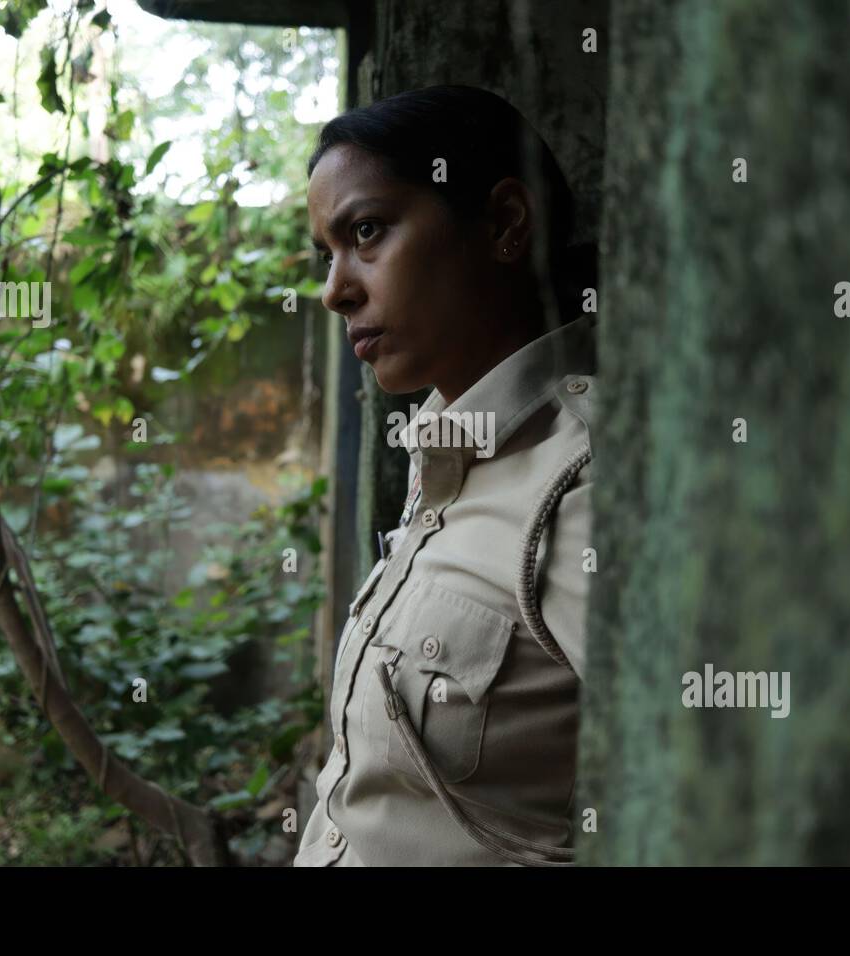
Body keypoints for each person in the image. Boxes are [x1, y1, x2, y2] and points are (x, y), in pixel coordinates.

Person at [294, 84, 598, 866]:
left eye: (367, 231)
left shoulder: (588, 485)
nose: (336, 290)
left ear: (502, 223)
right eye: (327, 254)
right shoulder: (445, 452)